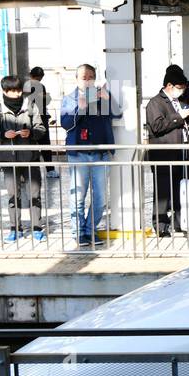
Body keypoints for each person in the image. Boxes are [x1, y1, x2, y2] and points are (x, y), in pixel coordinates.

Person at [59, 63, 119, 246]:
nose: (87, 80)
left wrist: (108, 99)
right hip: (78, 154)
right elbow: (65, 123)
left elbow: (117, 114)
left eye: (90, 77)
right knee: (77, 195)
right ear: (76, 79)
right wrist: (80, 108)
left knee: (100, 196)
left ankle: (90, 230)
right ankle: (78, 232)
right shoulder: (70, 98)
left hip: (101, 153)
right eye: (83, 77)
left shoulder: (102, 98)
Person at [0, 75, 48, 242]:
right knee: (13, 196)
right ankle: (15, 229)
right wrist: (2, 135)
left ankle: (37, 228)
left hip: (30, 158)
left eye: (17, 90)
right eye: (11, 91)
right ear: (4, 91)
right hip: (9, 159)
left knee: (34, 194)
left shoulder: (30, 107)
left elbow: (40, 128)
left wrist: (31, 133)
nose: (15, 94)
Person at [144, 67, 189, 237]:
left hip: (178, 153)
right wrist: (180, 117)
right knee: (162, 192)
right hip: (163, 155)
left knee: (178, 190)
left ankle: (180, 223)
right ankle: (161, 225)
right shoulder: (155, 103)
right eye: (180, 87)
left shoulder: (177, 102)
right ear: (169, 85)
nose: (182, 91)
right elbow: (157, 126)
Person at [26, 66, 56, 178]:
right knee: (45, 145)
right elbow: (44, 101)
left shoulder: (27, 86)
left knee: (32, 145)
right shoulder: (37, 86)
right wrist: (44, 96)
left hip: (30, 118)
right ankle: (49, 170)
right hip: (40, 118)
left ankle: (31, 171)